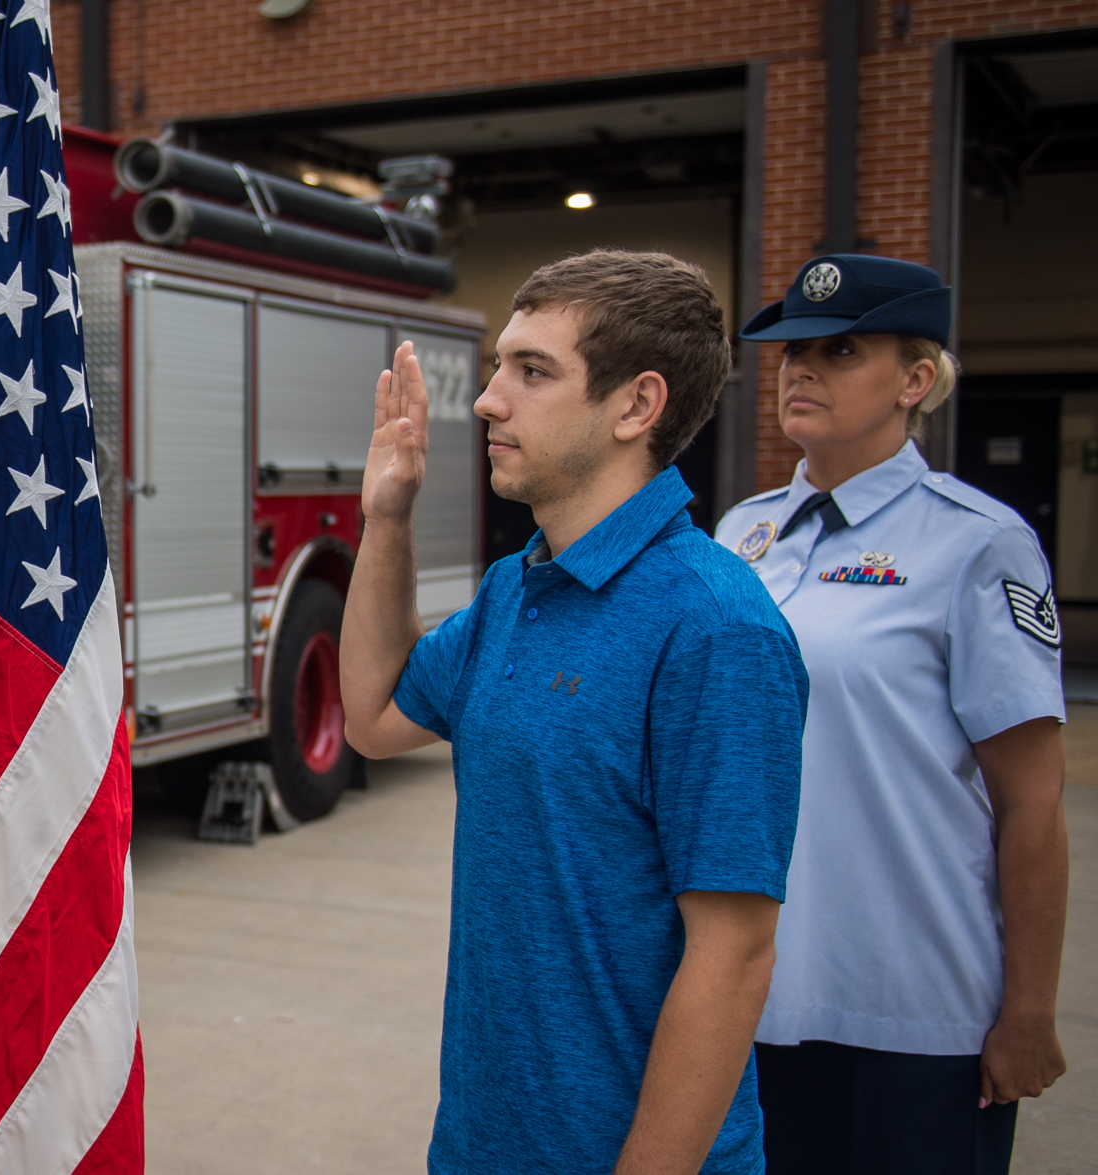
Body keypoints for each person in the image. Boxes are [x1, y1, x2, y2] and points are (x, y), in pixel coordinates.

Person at [342, 249, 809, 1174]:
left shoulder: (715, 626)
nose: (486, 399)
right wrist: (387, 519)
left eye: (532, 370)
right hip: (483, 1140)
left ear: (637, 406)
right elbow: (371, 717)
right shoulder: (518, 587)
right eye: (497, 368)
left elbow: (735, 953)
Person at [716, 254, 1068, 1175]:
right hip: (748, 994)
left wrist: (1028, 1009)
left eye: (839, 350)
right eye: (792, 349)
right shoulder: (738, 534)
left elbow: (1032, 803)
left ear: (917, 379)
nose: (801, 368)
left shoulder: (978, 543)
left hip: (915, 1008)